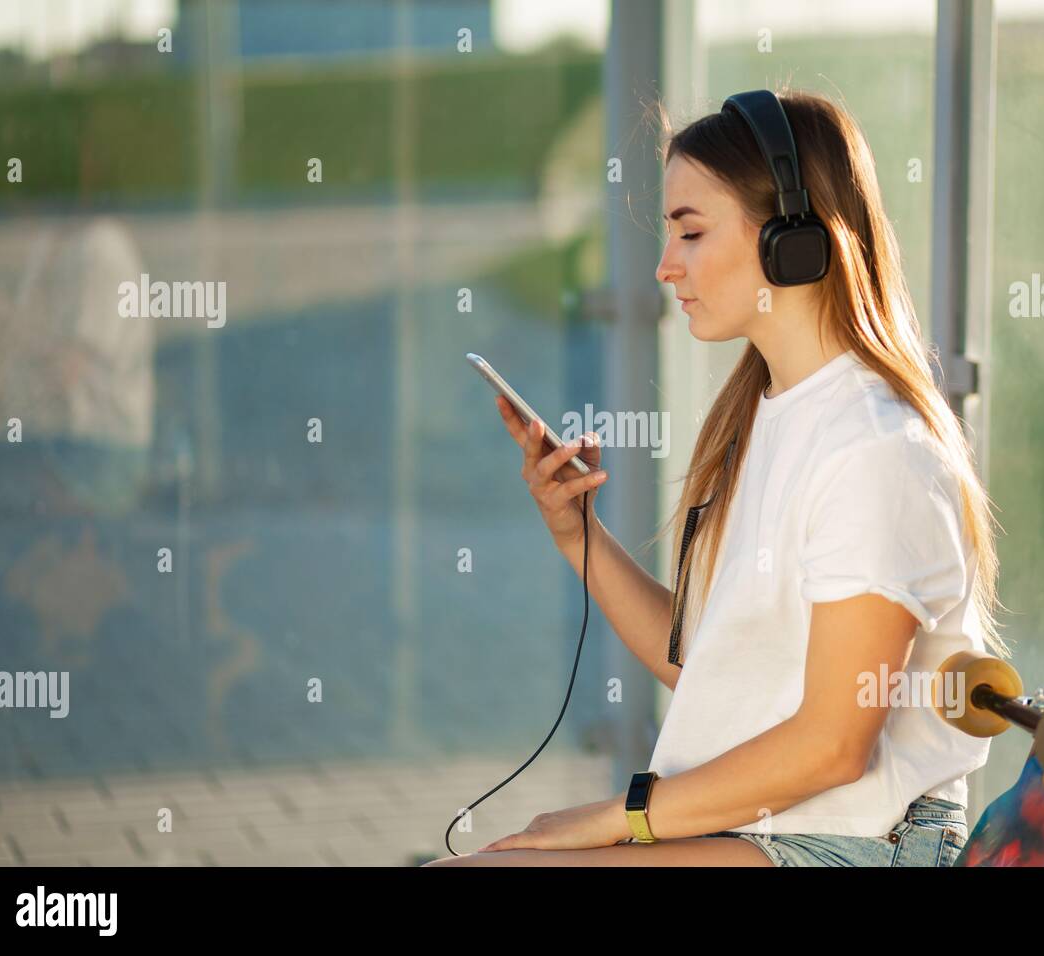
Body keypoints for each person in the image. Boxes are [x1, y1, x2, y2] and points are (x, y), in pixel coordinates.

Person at [425, 88, 1010, 867]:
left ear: (793, 239)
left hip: (857, 841)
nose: (666, 267)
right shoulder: (768, 413)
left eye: (690, 232)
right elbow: (716, 668)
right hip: (780, 826)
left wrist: (621, 818)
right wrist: (578, 536)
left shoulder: (874, 450)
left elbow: (834, 745)